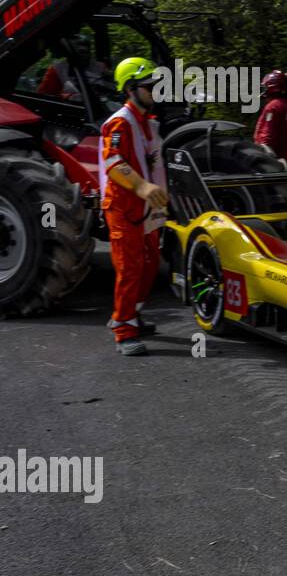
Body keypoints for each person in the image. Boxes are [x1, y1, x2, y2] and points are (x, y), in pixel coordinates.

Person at [101, 57, 169, 356]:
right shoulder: (119, 123)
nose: (156, 90)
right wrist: (141, 186)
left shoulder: (147, 124)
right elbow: (113, 161)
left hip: (147, 208)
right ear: (130, 89)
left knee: (150, 263)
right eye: (150, 86)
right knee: (130, 269)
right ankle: (123, 328)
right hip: (124, 207)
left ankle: (132, 312)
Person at [253, 70, 287, 166]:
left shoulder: (274, 106)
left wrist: (263, 157)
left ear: (272, 87)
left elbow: (268, 136)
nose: (263, 90)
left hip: (275, 161)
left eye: (265, 87)